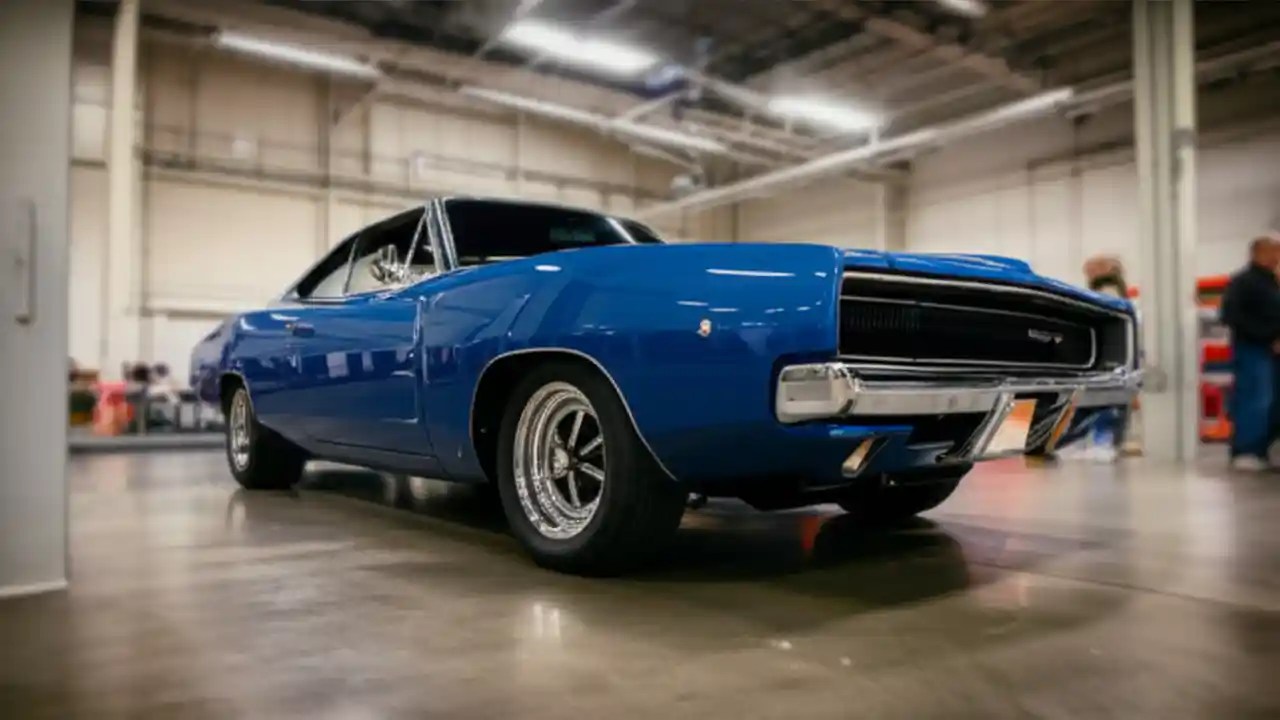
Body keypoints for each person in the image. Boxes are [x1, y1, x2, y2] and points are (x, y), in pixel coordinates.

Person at [1219, 236, 1280, 471]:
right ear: (1257, 253)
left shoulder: (1271, 282)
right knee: (1256, 398)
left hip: (1273, 351)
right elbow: (1231, 316)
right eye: (1273, 252)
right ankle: (1245, 450)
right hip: (1253, 350)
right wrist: (1267, 337)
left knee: (1273, 401)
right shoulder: (1243, 282)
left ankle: (1262, 449)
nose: (1276, 258)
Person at [1082, 256, 1131, 462]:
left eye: (1092, 269)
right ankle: (1109, 442)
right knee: (1111, 401)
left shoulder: (1106, 291)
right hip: (1113, 356)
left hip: (1110, 357)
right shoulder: (1113, 290)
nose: (1088, 273)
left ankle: (1106, 442)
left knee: (1108, 401)